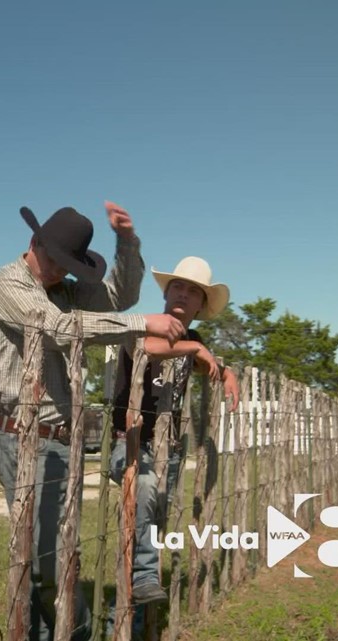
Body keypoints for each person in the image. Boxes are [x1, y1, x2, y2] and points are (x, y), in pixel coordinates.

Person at [0, 203, 187, 640]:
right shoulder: (8, 283)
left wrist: (126, 243)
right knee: (47, 559)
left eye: (68, 265)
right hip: (23, 436)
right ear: (34, 242)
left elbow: (119, 297)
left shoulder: (66, 291)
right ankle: (77, 634)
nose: (59, 271)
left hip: (60, 440)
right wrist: (141, 324)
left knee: (52, 554)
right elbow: (55, 329)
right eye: (54, 259)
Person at [109, 256, 241, 608]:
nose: (183, 294)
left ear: (201, 305)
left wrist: (227, 372)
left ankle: (136, 608)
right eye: (177, 287)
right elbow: (146, 348)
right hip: (129, 443)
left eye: (193, 291)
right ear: (166, 294)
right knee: (143, 489)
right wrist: (196, 349)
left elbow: (206, 365)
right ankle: (140, 583)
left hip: (168, 450)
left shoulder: (192, 338)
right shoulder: (150, 326)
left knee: (152, 524)